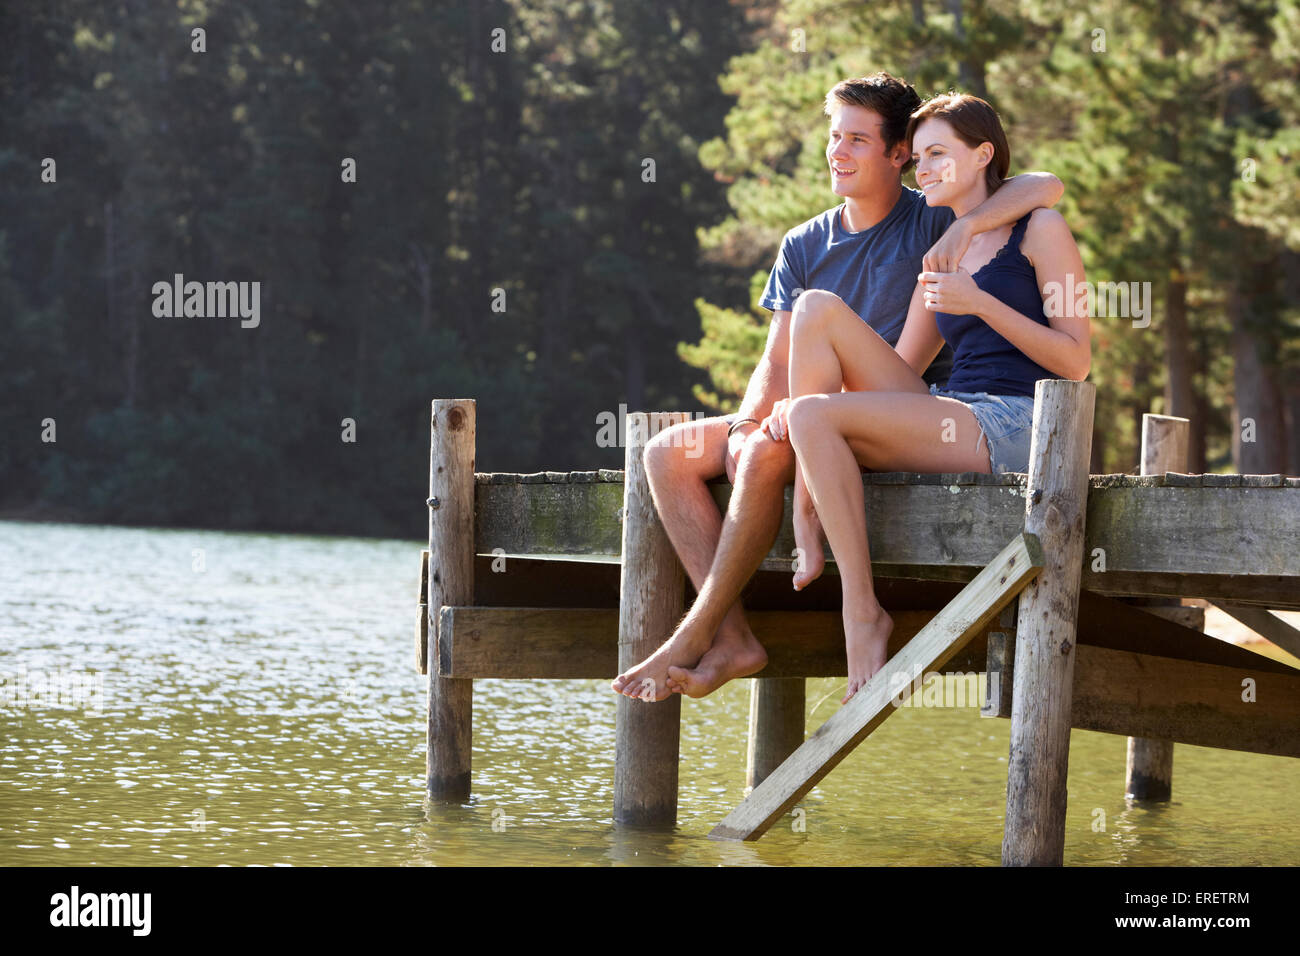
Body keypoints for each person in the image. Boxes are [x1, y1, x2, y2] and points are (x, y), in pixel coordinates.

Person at [611, 73, 1066, 703]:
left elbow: (1042, 187)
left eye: (857, 139)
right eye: (834, 137)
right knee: (669, 451)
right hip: (822, 408)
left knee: (788, 429)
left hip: (898, 408)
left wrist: (964, 229)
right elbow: (775, 361)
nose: (838, 152)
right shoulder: (803, 241)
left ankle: (697, 630)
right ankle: (735, 639)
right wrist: (746, 425)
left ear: (896, 153)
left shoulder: (933, 216)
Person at [767, 92, 1092, 703]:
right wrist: (831, 401)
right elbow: (904, 369)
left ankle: (860, 610)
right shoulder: (942, 249)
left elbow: (1076, 359)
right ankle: (808, 508)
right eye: (918, 159)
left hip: (1019, 422)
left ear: (983, 155)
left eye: (939, 154)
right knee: (813, 310)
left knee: (812, 412)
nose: (925, 170)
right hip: (953, 408)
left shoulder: (1040, 229)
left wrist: (980, 302)